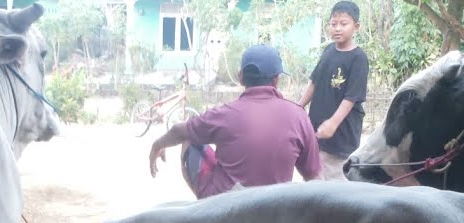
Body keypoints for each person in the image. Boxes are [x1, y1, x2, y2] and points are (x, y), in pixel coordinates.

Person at [148, 44, 321, 199]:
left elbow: (179, 131)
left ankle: (203, 208)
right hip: (273, 210)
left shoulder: (223, 114)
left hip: (224, 205)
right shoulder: (298, 116)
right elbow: (313, 176)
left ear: (240, 77)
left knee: (190, 137)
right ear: (276, 79)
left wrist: (157, 145)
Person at [300, 1, 369, 180]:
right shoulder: (329, 50)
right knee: (314, 177)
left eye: (343, 24)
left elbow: (351, 98)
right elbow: (315, 82)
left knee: (335, 184)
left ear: (356, 26)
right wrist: (299, 106)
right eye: (333, 24)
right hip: (316, 130)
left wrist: (332, 123)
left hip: (341, 136)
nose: (337, 28)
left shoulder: (358, 59)